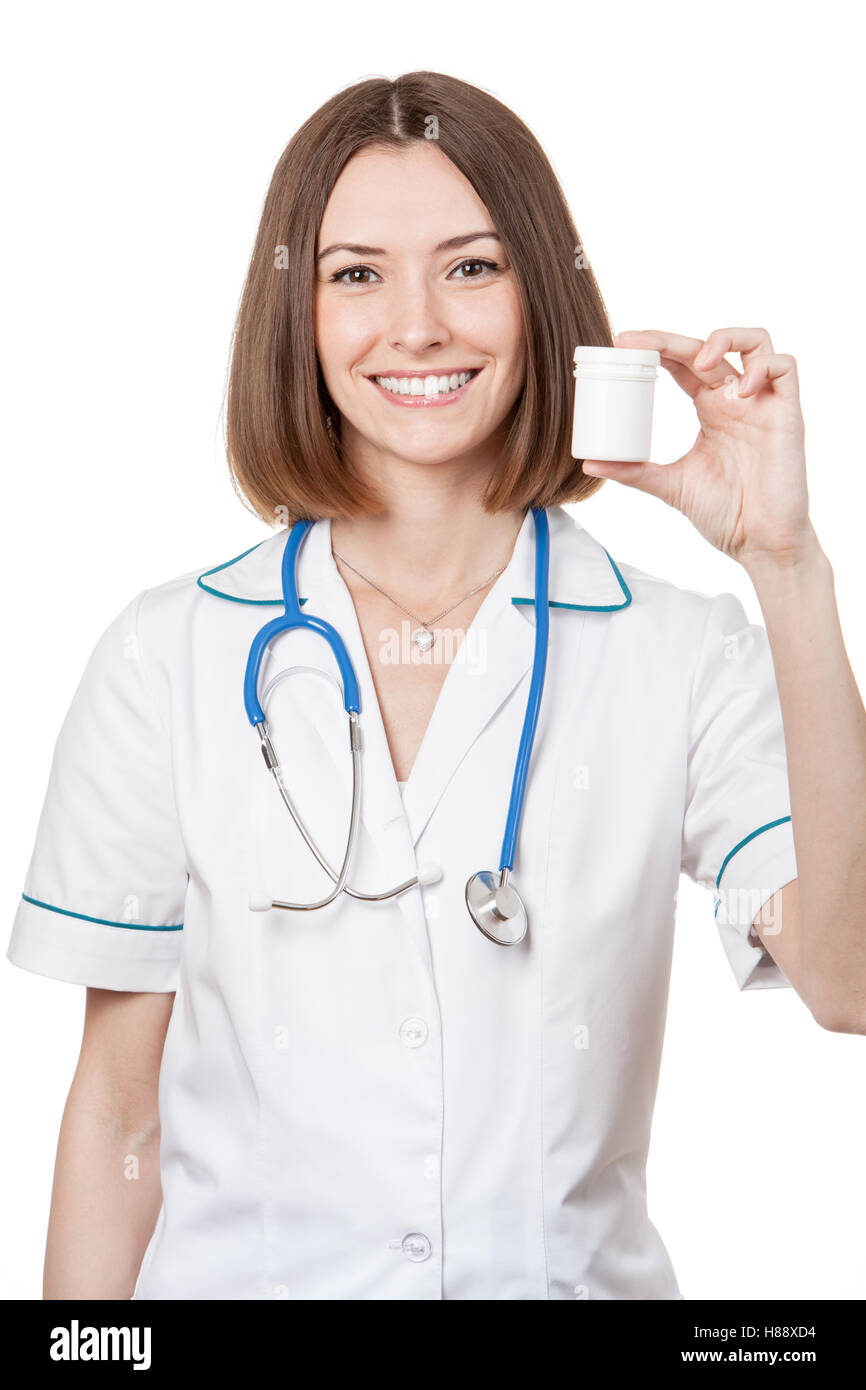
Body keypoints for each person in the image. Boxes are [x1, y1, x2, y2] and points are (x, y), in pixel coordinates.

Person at [8, 71, 866, 1302]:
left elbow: (844, 983)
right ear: (296, 311)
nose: (416, 325)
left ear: (543, 294)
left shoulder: (680, 651)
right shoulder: (170, 654)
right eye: (356, 273)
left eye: (470, 267)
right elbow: (115, 1114)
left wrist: (785, 561)